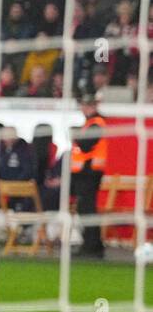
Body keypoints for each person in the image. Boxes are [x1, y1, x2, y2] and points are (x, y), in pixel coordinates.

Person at [70, 94, 107, 259]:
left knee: (87, 210)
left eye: (86, 105)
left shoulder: (96, 123)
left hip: (89, 172)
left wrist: (76, 134)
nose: (83, 109)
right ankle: (93, 245)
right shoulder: (90, 124)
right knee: (85, 209)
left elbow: (85, 145)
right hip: (85, 173)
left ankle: (91, 246)